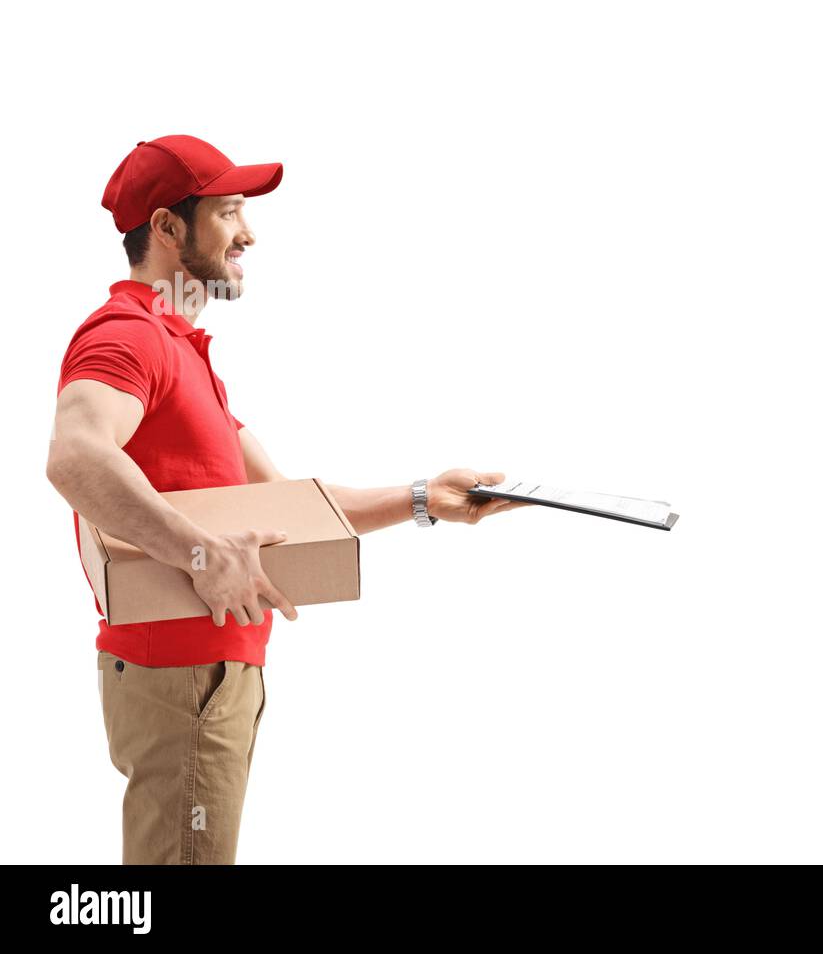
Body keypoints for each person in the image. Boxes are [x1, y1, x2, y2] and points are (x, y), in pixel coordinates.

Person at [45, 135, 528, 864]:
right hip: (184, 678)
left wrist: (426, 497)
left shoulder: (183, 352)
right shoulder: (128, 335)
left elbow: (289, 504)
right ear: (169, 229)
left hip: (210, 676)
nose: (249, 233)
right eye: (230, 213)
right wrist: (202, 554)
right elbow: (75, 457)